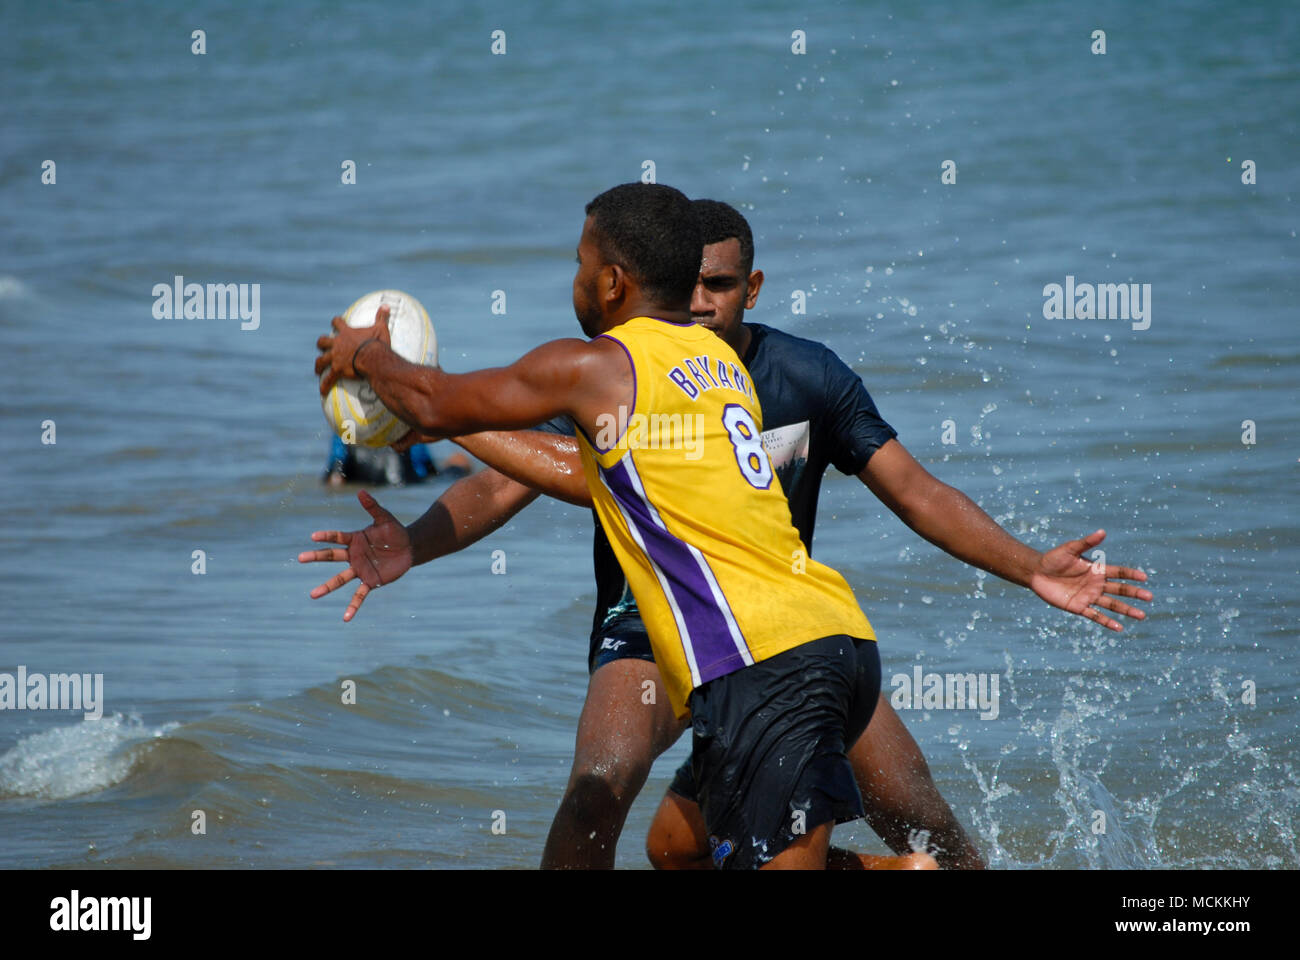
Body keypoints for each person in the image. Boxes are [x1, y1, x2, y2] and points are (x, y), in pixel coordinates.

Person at [304, 195, 1153, 869]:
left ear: (750, 288)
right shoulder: (673, 373)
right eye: (692, 284)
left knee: (911, 807)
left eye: (721, 287)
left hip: (767, 638)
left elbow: (917, 492)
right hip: (674, 632)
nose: (703, 304)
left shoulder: (752, 374)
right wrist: (416, 535)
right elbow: (540, 476)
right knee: (629, 815)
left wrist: (370, 360)